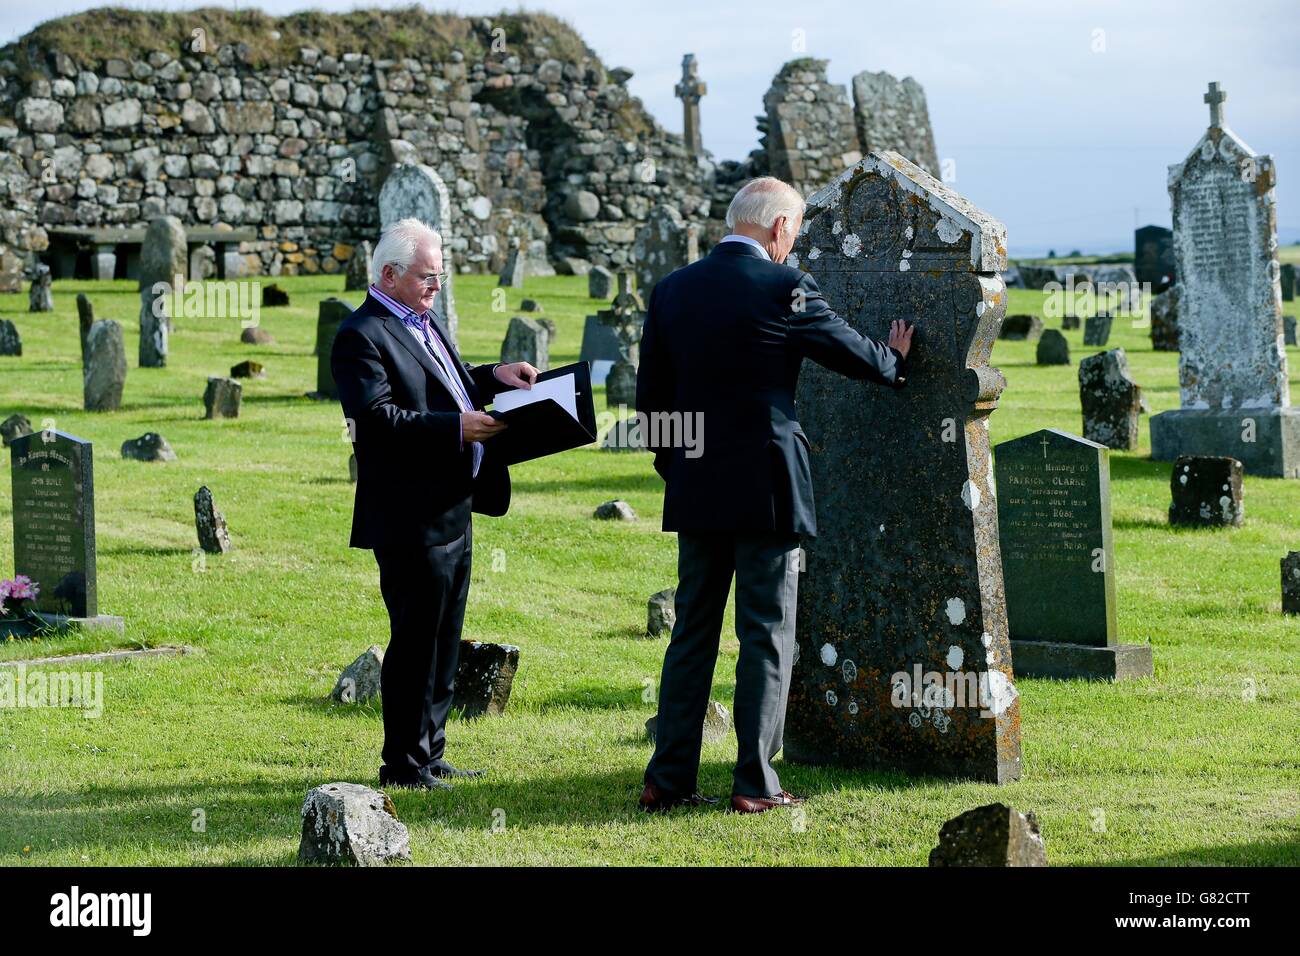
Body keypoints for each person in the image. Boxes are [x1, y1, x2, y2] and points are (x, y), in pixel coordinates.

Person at [636, 177, 914, 814]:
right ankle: (755, 785)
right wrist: (893, 359)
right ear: (780, 227)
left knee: (692, 632)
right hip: (766, 482)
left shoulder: (673, 288)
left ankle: (667, 779)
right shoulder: (784, 286)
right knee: (765, 632)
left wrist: (678, 467)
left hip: (696, 483)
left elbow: (651, 400)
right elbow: (851, 352)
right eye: (796, 232)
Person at [331, 217, 537, 791]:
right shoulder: (361, 335)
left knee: (446, 637)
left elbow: (446, 384)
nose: (436, 286)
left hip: (454, 504)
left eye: (440, 276)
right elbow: (375, 422)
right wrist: (456, 430)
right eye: (427, 276)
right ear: (389, 275)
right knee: (416, 641)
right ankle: (402, 764)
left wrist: (493, 376)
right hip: (409, 514)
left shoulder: (421, 318)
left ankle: (431, 752)